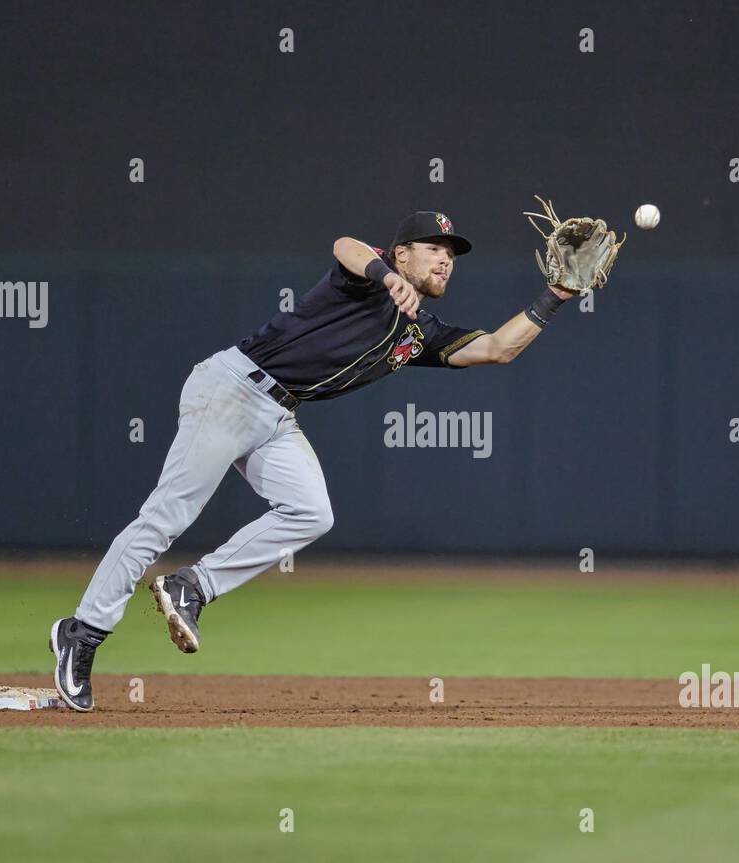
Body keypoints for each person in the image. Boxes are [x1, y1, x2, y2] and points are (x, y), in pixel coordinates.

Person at [50, 210, 574, 711]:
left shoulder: (419, 333)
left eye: (452, 255)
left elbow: (498, 349)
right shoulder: (367, 278)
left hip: (278, 414)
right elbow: (344, 246)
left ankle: (193, 586)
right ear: (401, 254)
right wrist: (384, 275)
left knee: (311, 512)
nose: (444, 260)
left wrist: (555, 296)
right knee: (167, 517)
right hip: (232, 389)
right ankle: (83, 632)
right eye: (433, 249)